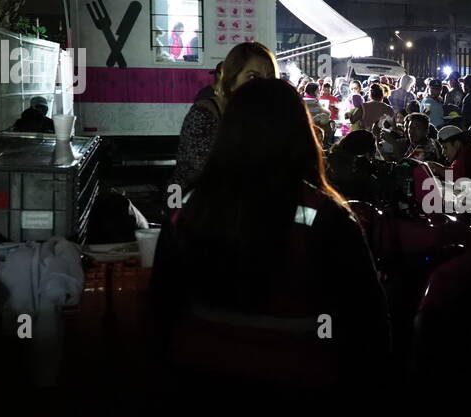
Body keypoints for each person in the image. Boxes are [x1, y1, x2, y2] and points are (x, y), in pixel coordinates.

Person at [150, 78, 389, 382]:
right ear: (300, 135)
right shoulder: (325, 215)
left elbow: (161, 308)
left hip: (200, 391)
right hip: (297, 392)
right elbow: (365, 321)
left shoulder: (187, 209)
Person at [168, 41, 276, 199]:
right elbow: (207, 170)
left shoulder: (266, 115)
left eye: (270, 78)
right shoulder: (204, 113)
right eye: (253, 76)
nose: (263, 85)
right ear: (232, 81)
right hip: (187, 203)